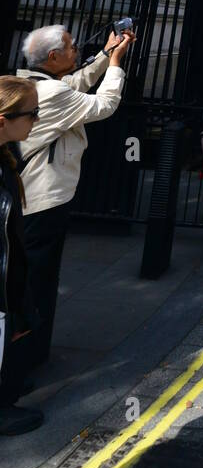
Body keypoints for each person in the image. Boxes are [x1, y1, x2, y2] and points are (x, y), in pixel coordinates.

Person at [15, 24, 133, 372]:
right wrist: (116, 65)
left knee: (31, 278)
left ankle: (28, 354)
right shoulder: (52, 95)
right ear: (53, 57)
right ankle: (25, 363)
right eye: (70, 46)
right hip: (42, 201)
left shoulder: (32, 85)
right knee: (38, 281)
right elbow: (105, 104)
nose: (76, 49)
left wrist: (104, 54)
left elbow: (74, 84)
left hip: (27, 200)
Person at [0, 76, 42, 437]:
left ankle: (5, 393)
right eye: (32, 114)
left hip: (11, 263)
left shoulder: (8, 152)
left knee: (19, 328)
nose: (36, 120)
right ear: (4, 119)